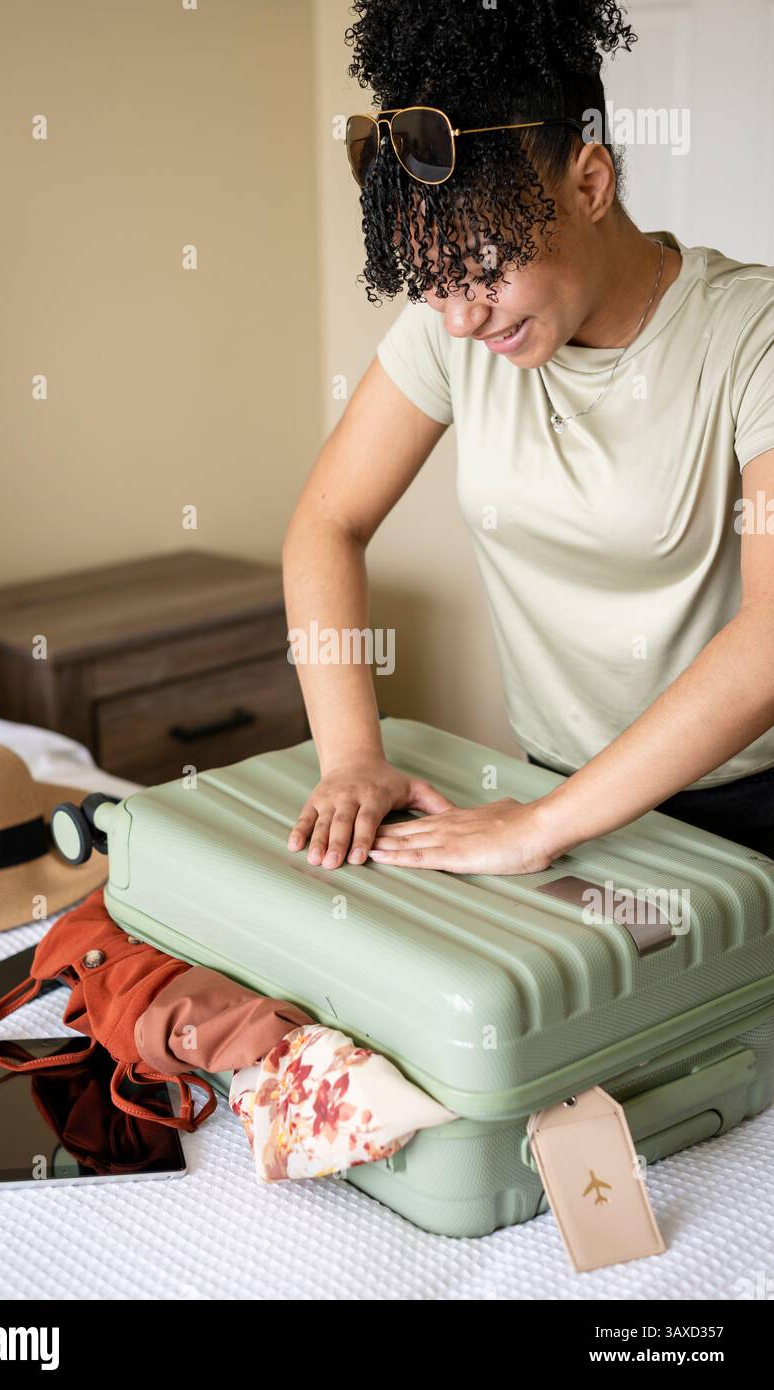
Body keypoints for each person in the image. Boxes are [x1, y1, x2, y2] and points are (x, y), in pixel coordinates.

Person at [282, 0, 774, 874]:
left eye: (482, 269)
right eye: (429, 282)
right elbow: (329, 524)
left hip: (745, 809)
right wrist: (352, 755)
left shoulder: (751, 332)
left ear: (590, 184)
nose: (462, 319)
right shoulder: (455, 327)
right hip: (546, 788)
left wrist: (542, 828)